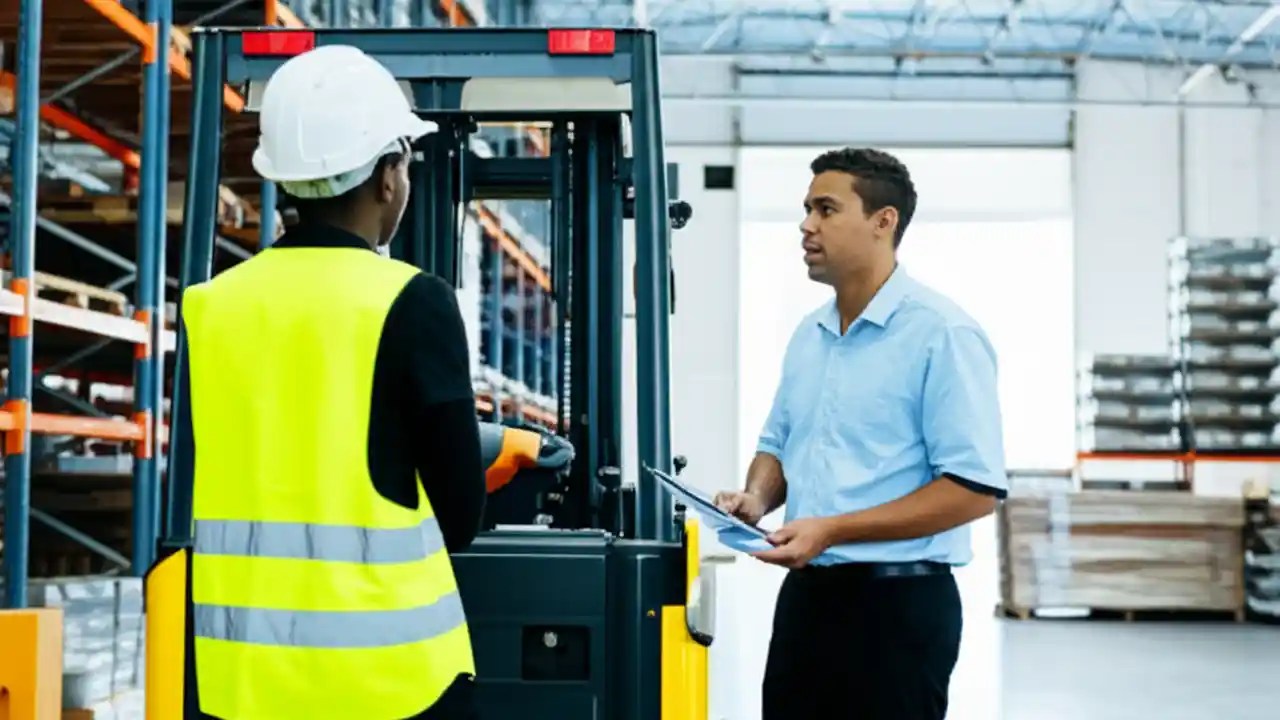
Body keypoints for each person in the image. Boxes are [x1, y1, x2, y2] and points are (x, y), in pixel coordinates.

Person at [179, 45, 485, 720]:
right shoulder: (414, 300)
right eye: (404, 159)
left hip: (244, 685)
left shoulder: (212, 306)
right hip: (390, 682)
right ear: (385, 178)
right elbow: (460, 515)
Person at [715, 148, 1007, 720]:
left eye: (826, 209)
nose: (806, 225)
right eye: (806, 209)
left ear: (883, 221)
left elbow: (975, 489)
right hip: (808, 600)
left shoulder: (942, 334)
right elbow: (779, 442)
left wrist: (833, 529)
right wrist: (756, 497)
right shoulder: (811, 333)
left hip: (898, 607)